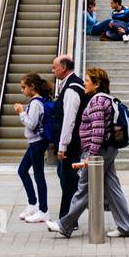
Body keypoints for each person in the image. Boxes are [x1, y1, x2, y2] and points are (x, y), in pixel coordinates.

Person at [48, 67, 129, 238]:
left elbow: (98, 131)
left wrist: (91, 156)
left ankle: (65, 225)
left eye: (87, 80)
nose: (84, 83)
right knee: (113, 187)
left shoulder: (96, 102)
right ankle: (126, 226)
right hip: (108, 149)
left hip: (98, 151)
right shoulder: (107, 99)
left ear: (96, 84)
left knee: (83, 187)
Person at [13, 73, 52, 224]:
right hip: (35, 142)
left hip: (37, 142)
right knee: (23, 170)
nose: (22, 90)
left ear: (32, 87)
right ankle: (34, 203)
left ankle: (43, 209)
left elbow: (32, 124)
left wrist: (21, 112)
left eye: (24, 87)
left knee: (38, 175)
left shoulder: (36, 103)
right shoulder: (37, 101)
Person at [50, 55, 86, 218]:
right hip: (71, 141)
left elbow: (69, 120)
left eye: (54, 67)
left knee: (68, 179)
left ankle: (66, 218)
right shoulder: (70, 85)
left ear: (63, 67)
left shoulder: (71, 88)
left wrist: (62, 146)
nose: (52, 70)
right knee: (64, 175)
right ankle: (70, 216)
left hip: (70, 143)